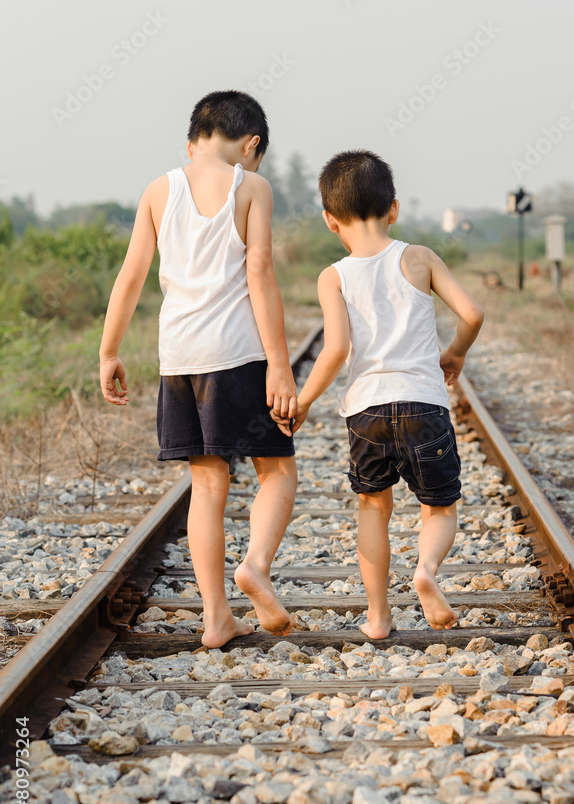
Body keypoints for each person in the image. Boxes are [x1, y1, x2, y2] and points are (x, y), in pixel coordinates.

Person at [99, 90, 298, 647]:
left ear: (197, 136)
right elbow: (259, 273)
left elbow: (132, 274)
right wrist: (279, 366)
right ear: (251, 144)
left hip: (179, 358)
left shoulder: (158, 190)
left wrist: (108, 350)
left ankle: (216, 618)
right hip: (237, 354)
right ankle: (255, 566)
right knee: (277, 471)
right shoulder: (251, 187)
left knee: (207, 486)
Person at [274, 150, 484, 639]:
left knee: (373, 507)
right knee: (440, 508)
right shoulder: (419, 257)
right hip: (424, 405)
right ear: (394, 208)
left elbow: (336, 350)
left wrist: (303, 401)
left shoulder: (334, 276)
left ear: (330, 220)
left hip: (365, 411)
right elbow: (472, 314)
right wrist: (454, 355)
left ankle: (377, 616)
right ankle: (427, 570)